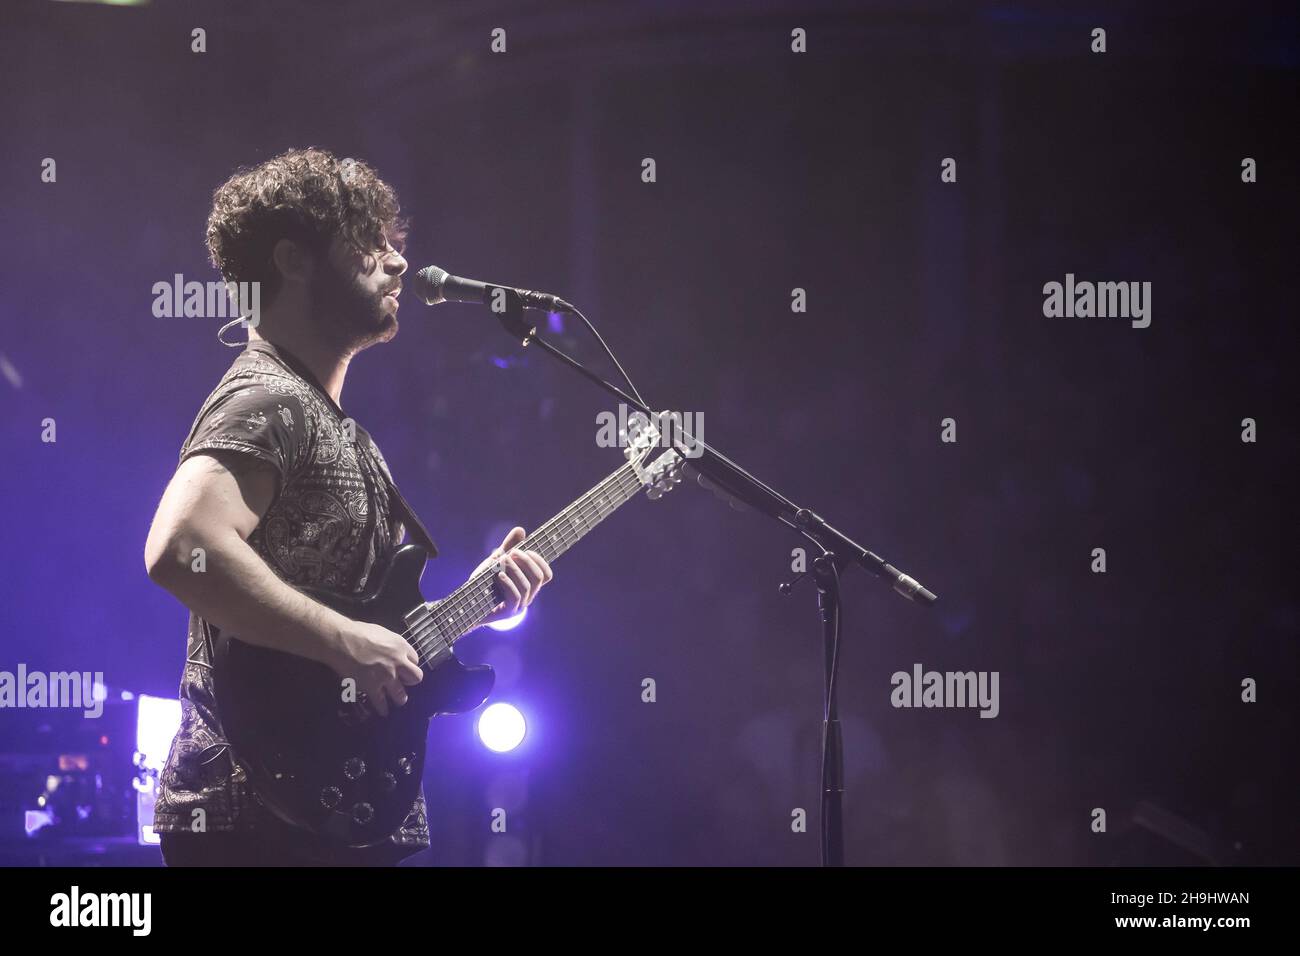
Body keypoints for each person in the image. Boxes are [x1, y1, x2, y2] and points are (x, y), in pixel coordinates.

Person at [143, 148, 552, 866]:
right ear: (295, 261)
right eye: (370, 244)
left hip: (329, 809)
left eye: (396, 246)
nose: (397, 263)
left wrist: (479, 601)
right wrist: (345, 642)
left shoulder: (336, 426)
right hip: (257, 817)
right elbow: (182, 548)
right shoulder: (266, 399)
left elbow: (362, 617)